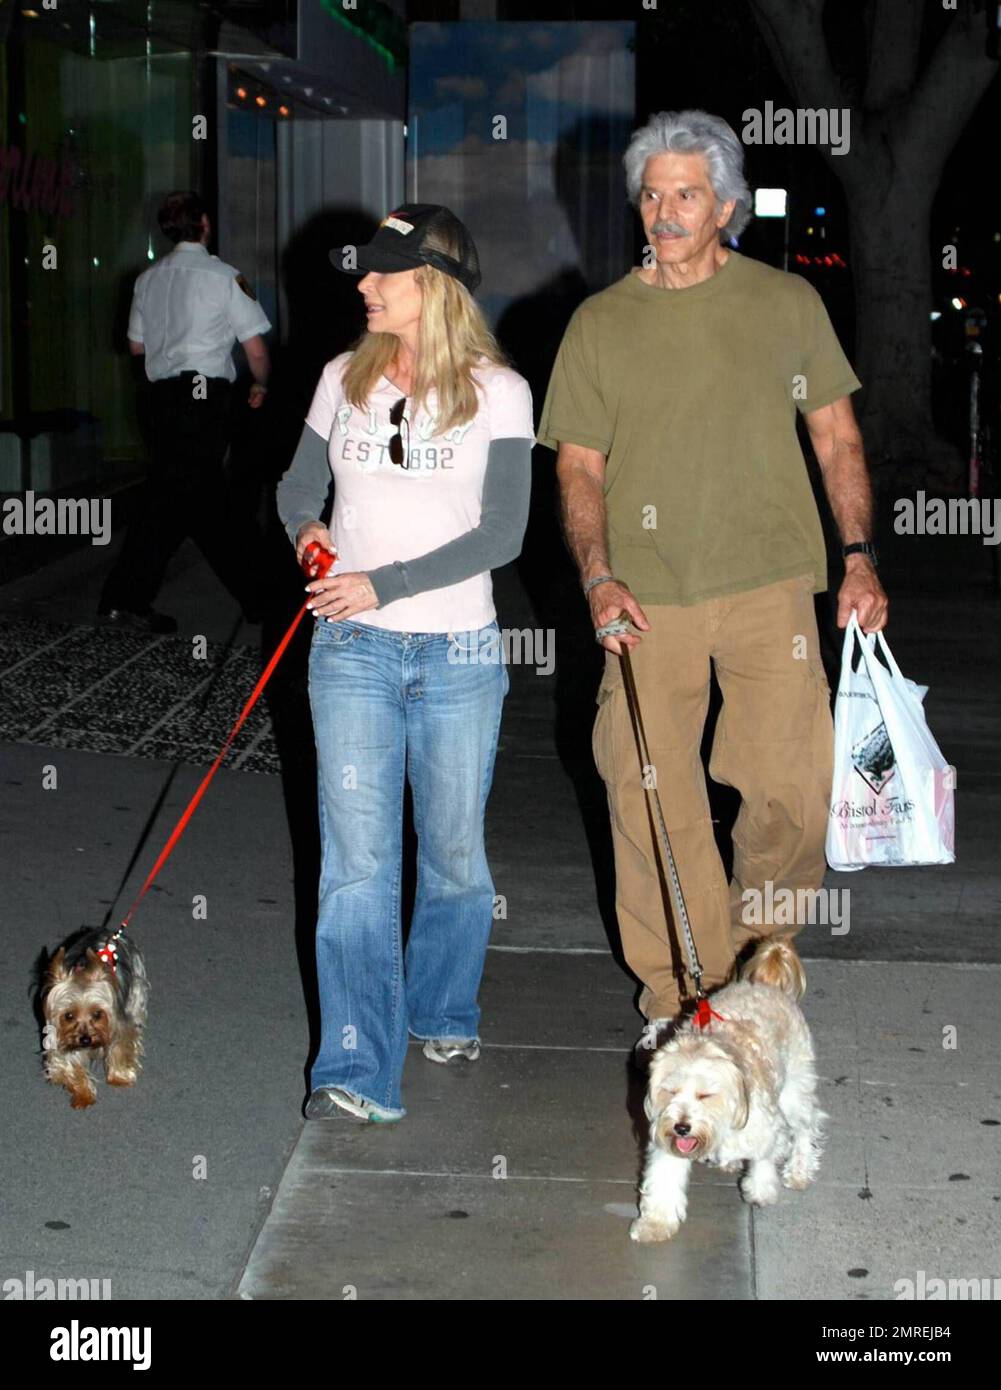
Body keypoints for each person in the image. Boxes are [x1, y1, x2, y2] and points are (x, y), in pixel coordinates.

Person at [537, 111, 888, 1050]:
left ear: (726, 204)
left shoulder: (785, 305)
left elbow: (837, 438)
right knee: (648, 788)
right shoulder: (601, 321)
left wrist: (856, 558)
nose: (663, 211)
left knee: (791, 788)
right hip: (646, 597)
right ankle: (681, 999)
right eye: (650, 194)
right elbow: (577, 466)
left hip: (771, 583)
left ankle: (754, 961)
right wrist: (599, 577)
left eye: (684, 194)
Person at [276, 204, 534, 1122]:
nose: (364, 283)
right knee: (356, 865)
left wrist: (383, 583)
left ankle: (442, 1003)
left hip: (458, 652)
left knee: (455, 854)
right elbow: (298, 486)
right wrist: (308, 532)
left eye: (386, 271)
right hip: (349, 650)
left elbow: (503, 532)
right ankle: (353, 1062)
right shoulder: (341, 376)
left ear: (436, 285)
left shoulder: (499, 392)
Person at [98, 191, 272, 633]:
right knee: (204, 502)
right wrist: (262, 383)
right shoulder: (223, 277)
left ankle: (125, 600)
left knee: (178, 499)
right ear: (205, 224)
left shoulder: (148, 278)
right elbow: (254, 348)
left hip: (160, 400)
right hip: (203, 398)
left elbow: (136, 346)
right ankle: (262, 599)